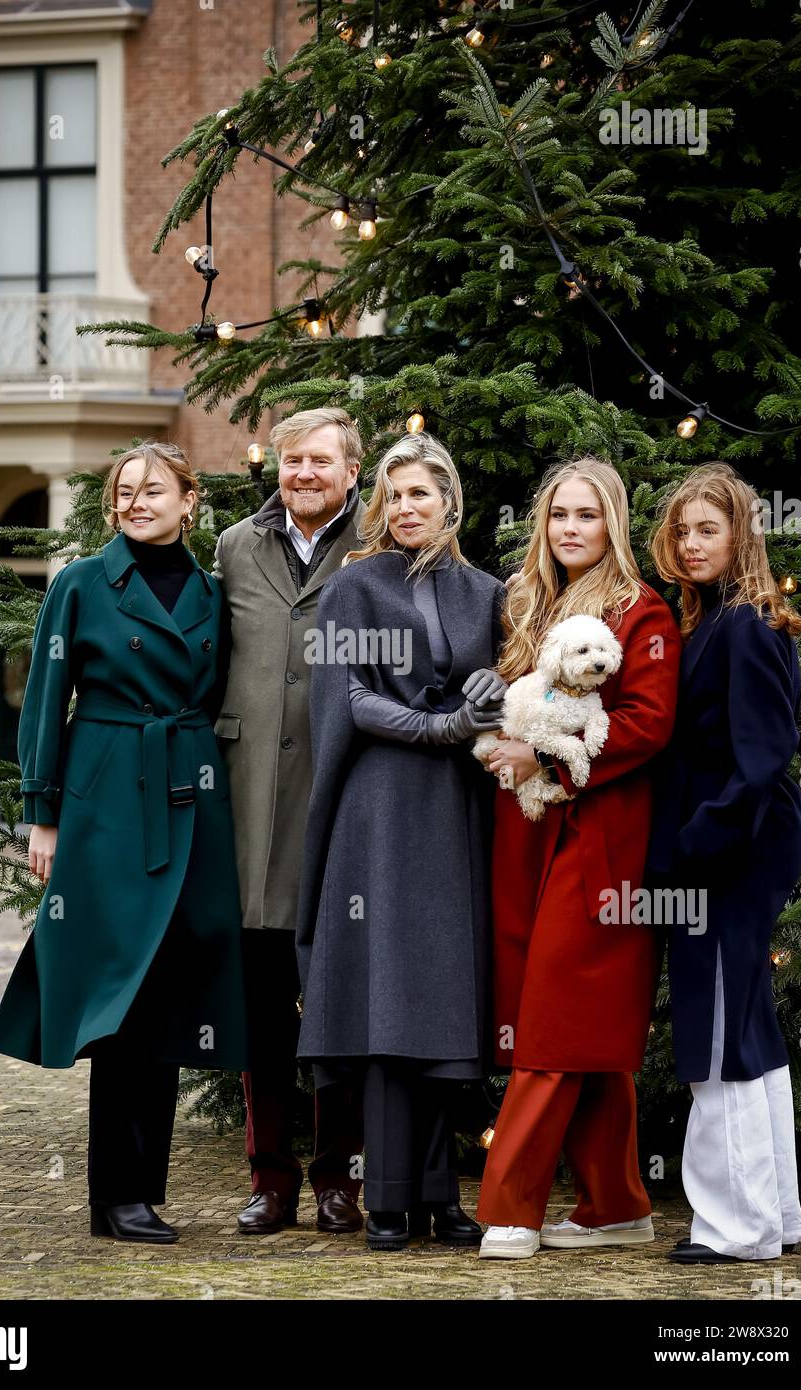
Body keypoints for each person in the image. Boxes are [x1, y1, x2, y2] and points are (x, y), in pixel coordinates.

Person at [0, 441, 247, 1244]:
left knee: (169, 990)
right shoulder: (80, 583)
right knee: (119, 991)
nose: (136, 502)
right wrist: (42, 814)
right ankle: (115, 1194)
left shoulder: (211, 591)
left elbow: (220, 697)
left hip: (190, 791)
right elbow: (45, 698)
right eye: (125, 491)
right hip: (104, 798)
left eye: (153, 489)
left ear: (189, 501)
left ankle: (139, 1195)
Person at [295, 432, 507, 1251]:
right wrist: (438, 726)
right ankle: (386, 1197)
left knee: (444, 996)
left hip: (454, 809)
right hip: (379, 808)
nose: (406, 508)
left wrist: (492, 687)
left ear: (448, 500)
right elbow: (347, 697)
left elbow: (511, 682)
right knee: (388, 997)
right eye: (394, 496)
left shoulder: (486, 592)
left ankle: (438, 1194)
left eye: (421, 493)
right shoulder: (355, 586)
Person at [475, 457, 680, 1260]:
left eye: (586, 515)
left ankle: (511, 1208)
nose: (569, 528)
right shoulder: (527, 600)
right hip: (527, 835)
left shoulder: (640, 610)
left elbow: (648, 724)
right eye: (558, 514)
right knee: (580, 1022)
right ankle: (614, 1206)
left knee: (553, 1021)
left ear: (612, 523)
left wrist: (546, 761)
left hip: (600, 841)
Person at [213, 407, 367, 1235]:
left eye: (319, 461)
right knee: (263, 1008)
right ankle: (269, 1178)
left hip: (347, 802)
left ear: (351, 471)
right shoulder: (235, 546)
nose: (303, 473)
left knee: (340, 1003)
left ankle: (338, 1176)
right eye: (291, 460)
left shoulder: (379, 546)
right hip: (254, 806)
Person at [648, 462, 801, 1264]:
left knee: (714, 1030)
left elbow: (762, 758)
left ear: (740, 535)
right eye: (681, 530)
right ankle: (772, 1216)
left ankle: (735, 1227)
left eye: (707, 530)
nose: (690, 543)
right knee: (746, 1026)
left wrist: (692, 845)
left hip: (731, 852)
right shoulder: (711, 619)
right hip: (735, 845)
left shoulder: (744, 624)